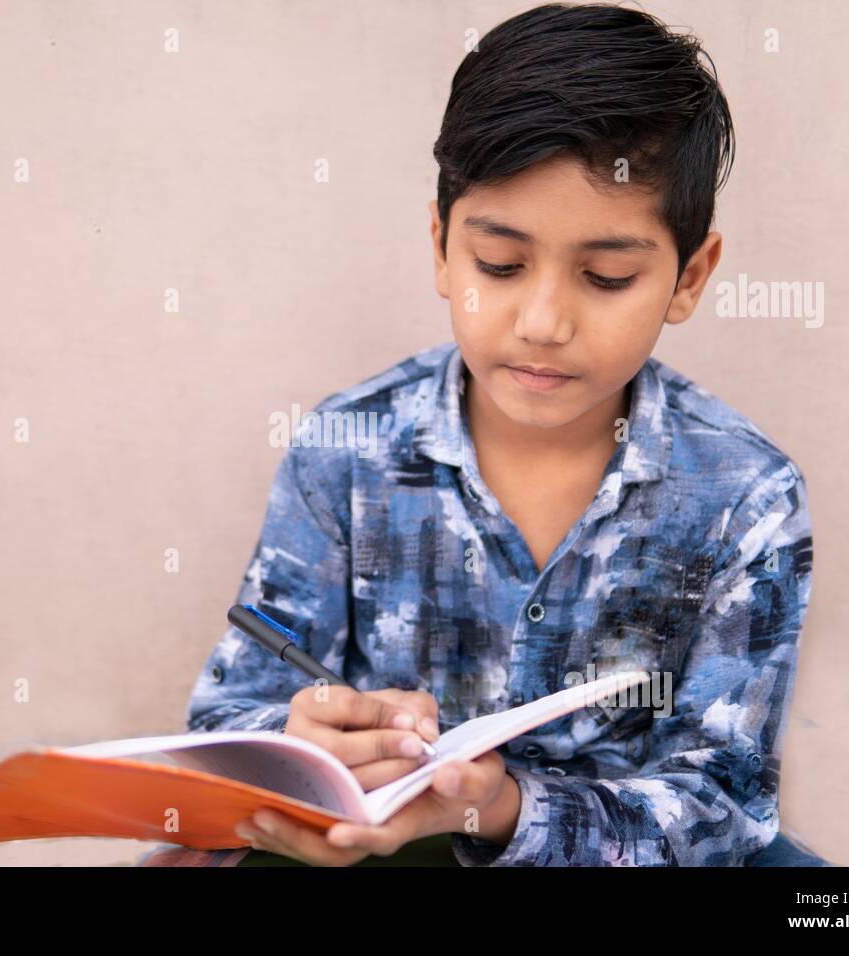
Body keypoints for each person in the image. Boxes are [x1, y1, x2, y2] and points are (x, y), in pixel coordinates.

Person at [185, 2, 817, 867]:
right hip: (388, 844)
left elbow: (725, 800)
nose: (544, 322)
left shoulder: (744, 496)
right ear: (443, 246)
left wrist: (505, 809)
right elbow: (224, 725)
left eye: (606, 276)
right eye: (501, 267)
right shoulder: (347, 450)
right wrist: (302, 748)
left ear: (689, 276)